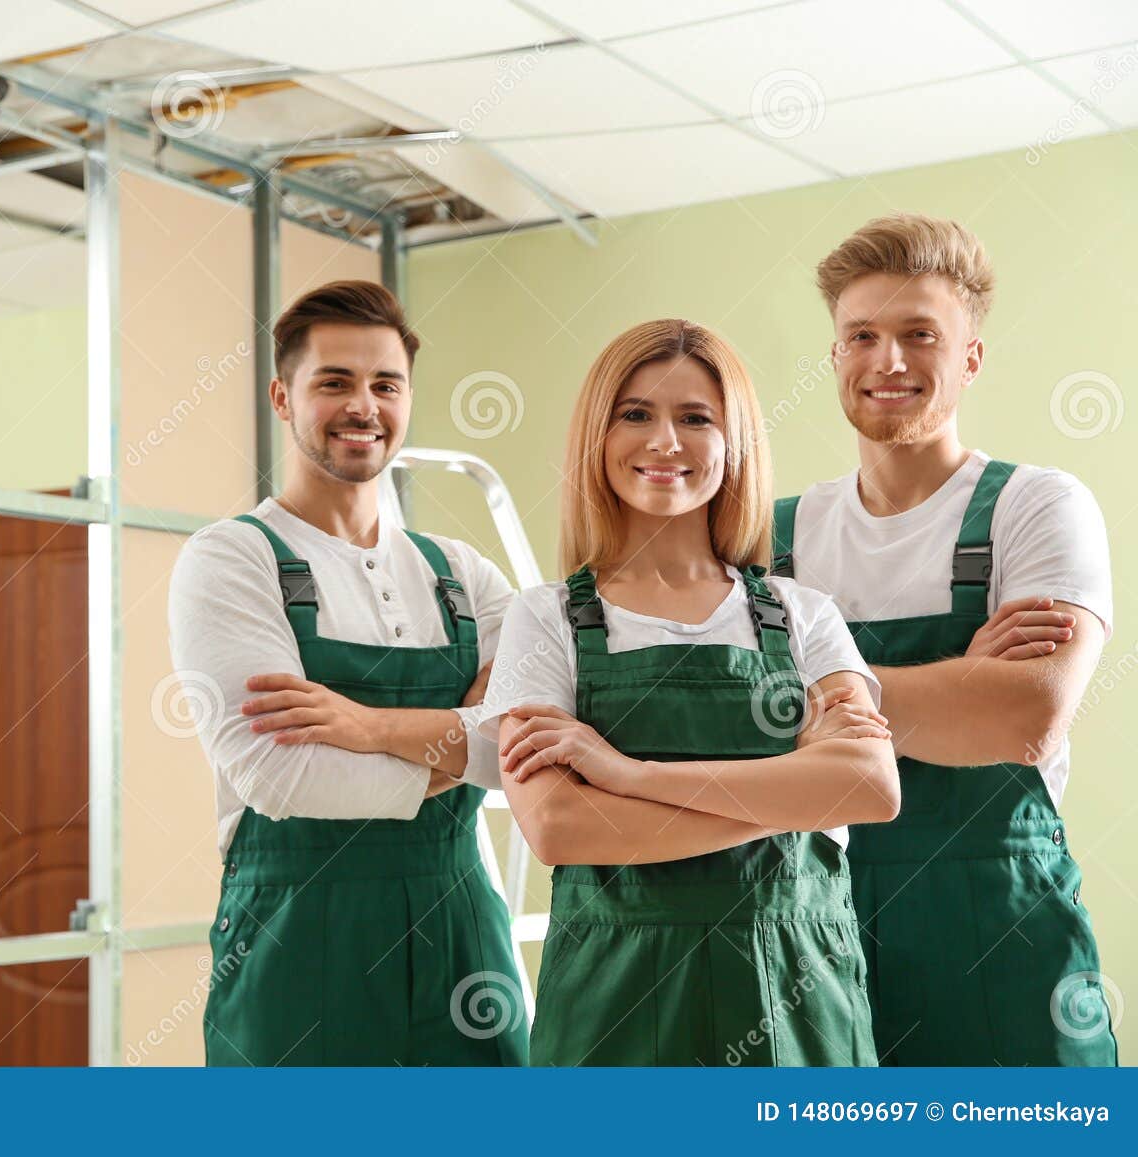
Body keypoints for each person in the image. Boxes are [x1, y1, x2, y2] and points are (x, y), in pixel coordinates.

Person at [484, 318, 899, 1066]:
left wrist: (629, 776)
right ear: (596, 436)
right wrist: (792, 795)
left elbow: (869, 785)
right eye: (635, 413)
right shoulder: (542, 619)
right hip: (616, 1005)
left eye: (696, 418)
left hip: (798, 997)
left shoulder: (803, 614)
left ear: (734, 440)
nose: (665, 441)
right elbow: (559, 827)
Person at [771, 212, 1119, 1065]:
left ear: (969, 357)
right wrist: (956, 680)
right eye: (863, 336)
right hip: (813, 921)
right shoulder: (772, 536)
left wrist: (814, 690)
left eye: (919, 333)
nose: (888, 361)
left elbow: (1023, 716)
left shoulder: (1035, 506)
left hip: (999, 923)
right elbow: (724, 726)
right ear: (837, 357)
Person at [167, 280, 528, 1066]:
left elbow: (528, 745)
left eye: (384, 384)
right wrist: (461, 741)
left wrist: (367, 729)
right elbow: (283, 776)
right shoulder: (231, 558)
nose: (363, 405)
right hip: (300, 936)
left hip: (460, 928)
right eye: (334, 381)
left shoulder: (463, 573)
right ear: (282, 396)